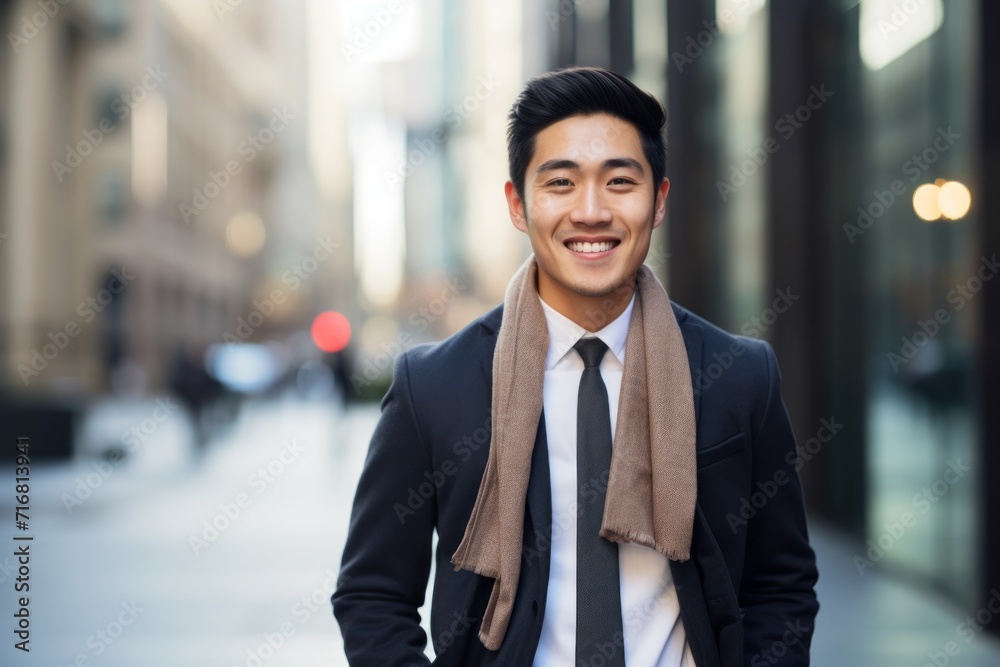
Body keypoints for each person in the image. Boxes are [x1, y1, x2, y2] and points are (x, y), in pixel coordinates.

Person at [332, 66, 819, 666]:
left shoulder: (739, 376)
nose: (590, 212)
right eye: (560, 182)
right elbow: (373, 594)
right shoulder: (433, 387)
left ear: (659, 201)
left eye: (620, 181)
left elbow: (781, 585)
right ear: (518, 204)